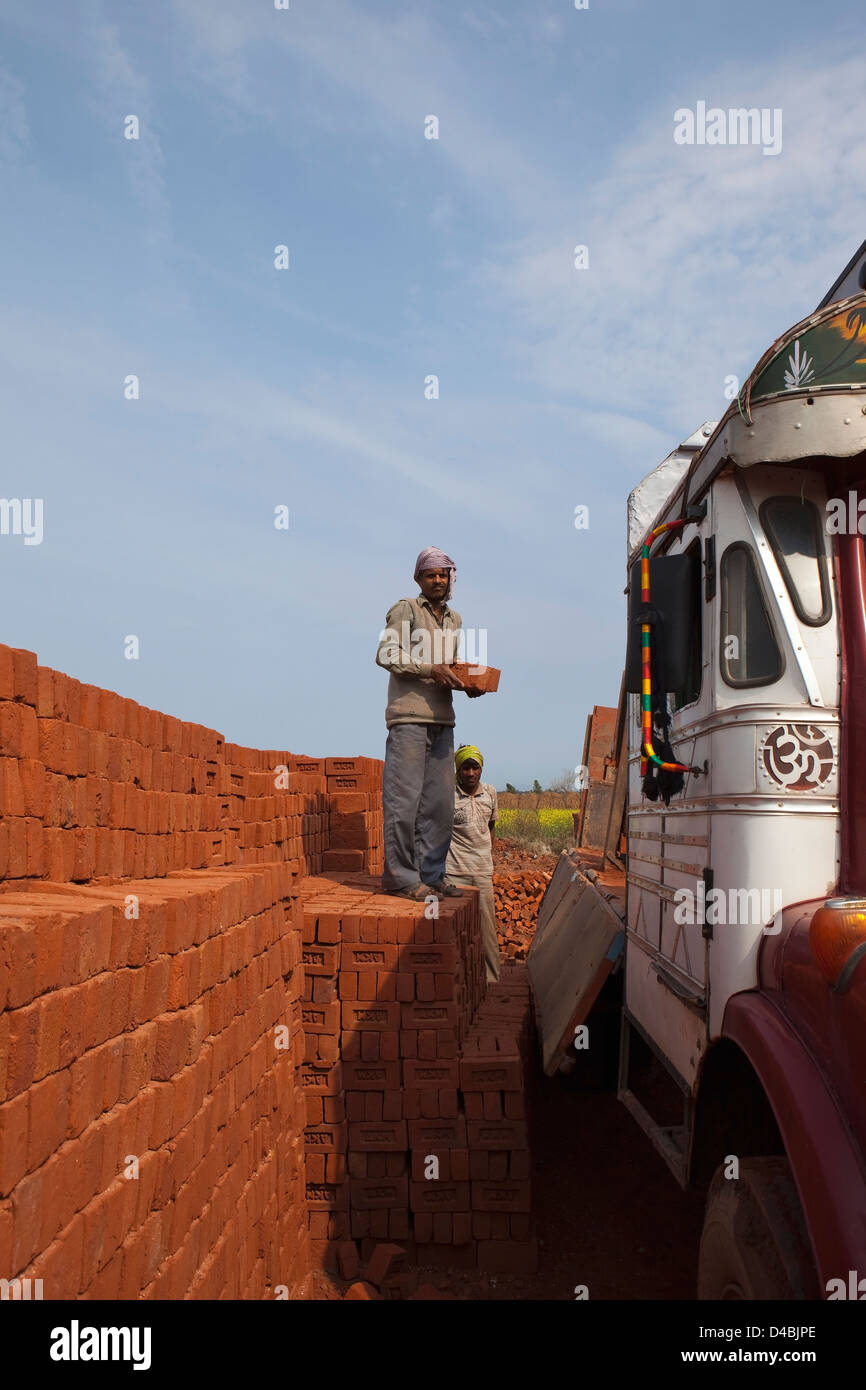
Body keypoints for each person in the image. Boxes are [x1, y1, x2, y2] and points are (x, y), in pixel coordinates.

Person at [375, 547, 483, 901]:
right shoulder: (406, 609)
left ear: (451, 577)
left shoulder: (454, 619)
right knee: (404, 802)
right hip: (408, 718)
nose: (437, 580)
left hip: (443, 719)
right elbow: (386, 654)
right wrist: (430, 669)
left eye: (443, 574)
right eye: (430, 575)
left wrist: (467, 683)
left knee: (440, 806)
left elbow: (447, 665)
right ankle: (400, 878)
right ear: (418, 579)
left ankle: (431, 874)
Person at [444, 744, 502, 981]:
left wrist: (487, 859)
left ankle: (492, 980)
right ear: (458, 769)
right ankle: (459, 981)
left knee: (487, 929)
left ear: (481, 769)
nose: (470, 773)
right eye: (465, 768)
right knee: (454, 929)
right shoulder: (447, 794)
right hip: (454, 873)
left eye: (474, 768)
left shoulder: (490, 793)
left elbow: (491, 828)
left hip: (481, 873)